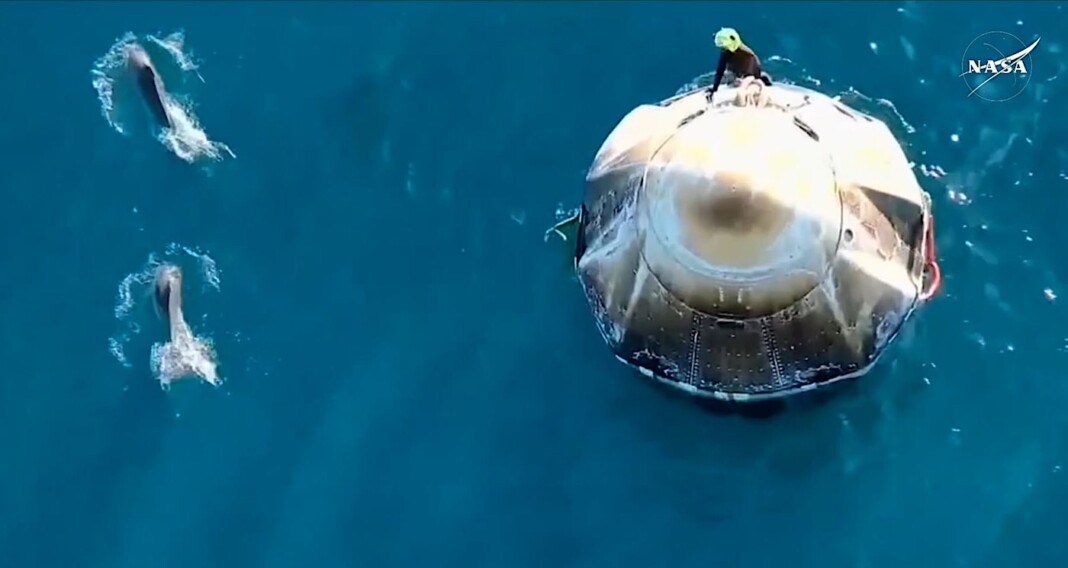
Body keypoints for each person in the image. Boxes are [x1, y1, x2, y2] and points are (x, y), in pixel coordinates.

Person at [705, 27, 772, 104]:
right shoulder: (726, 53)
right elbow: (720, 71)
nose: (724, 49)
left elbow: (753, 69)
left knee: (750, 78)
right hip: (738, 71)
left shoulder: (748, 56)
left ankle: (760, 79)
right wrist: (714, 88)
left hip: (749, 71)